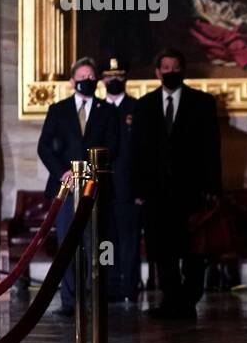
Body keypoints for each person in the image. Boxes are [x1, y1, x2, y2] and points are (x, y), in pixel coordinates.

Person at [132, 49, 221, 319]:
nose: (171, 72)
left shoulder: (202, 102)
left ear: (183, 70)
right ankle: (171, 301)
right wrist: (138, 190)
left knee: (193, 250)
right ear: (158, 72)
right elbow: (137, 150)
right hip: (155, 192)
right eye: (166, 67)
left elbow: (211, 148)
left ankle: (189, 300)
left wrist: (213, 188)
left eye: (175, 67)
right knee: (162, 249)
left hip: (191, 190)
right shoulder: (144, 105)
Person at [36, 58, 121, 315]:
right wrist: (64, 172)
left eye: (91, 76)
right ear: (73, 81)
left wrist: (91, 173)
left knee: (94, 245)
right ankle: (69, 300)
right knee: (66, 244)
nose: (87, 80)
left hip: (95, 189)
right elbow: (44, 147)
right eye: (82, 76)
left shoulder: (108, 111)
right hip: (65, 188)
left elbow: (113, 147)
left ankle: (92, 298)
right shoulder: (58, 110)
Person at [101, 57, 140, 304]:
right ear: (102, 79)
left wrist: (140, 188)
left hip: (129, 187)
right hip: (103, 188)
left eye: (118, 76)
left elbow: (143, 151)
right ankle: (110, 285)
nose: (114, 80)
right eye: (109, 76)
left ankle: (129, 287)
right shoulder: (97, 110)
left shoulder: (137, 108)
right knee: (106, 240)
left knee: (130, 241)